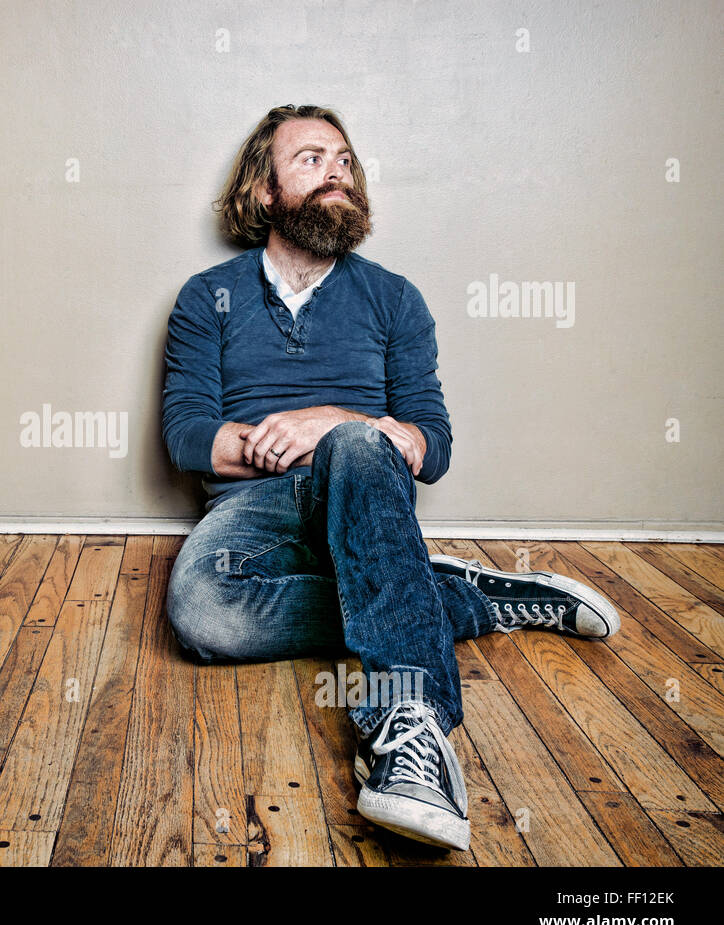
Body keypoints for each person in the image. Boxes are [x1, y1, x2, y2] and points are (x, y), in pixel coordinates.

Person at [161, 104, 621, 851]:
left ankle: (409, 730)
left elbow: (429, 445)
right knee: (201, 610)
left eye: (344, 159)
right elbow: (187, 437)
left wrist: (334, 424)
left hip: (363, 485)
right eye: (310, 159)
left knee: (357, 445)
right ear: (264, 190)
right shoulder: (205, 296)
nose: (336, 170)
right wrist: (280, 442)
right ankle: (452, 597)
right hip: (254, 510)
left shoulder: (395, 298)